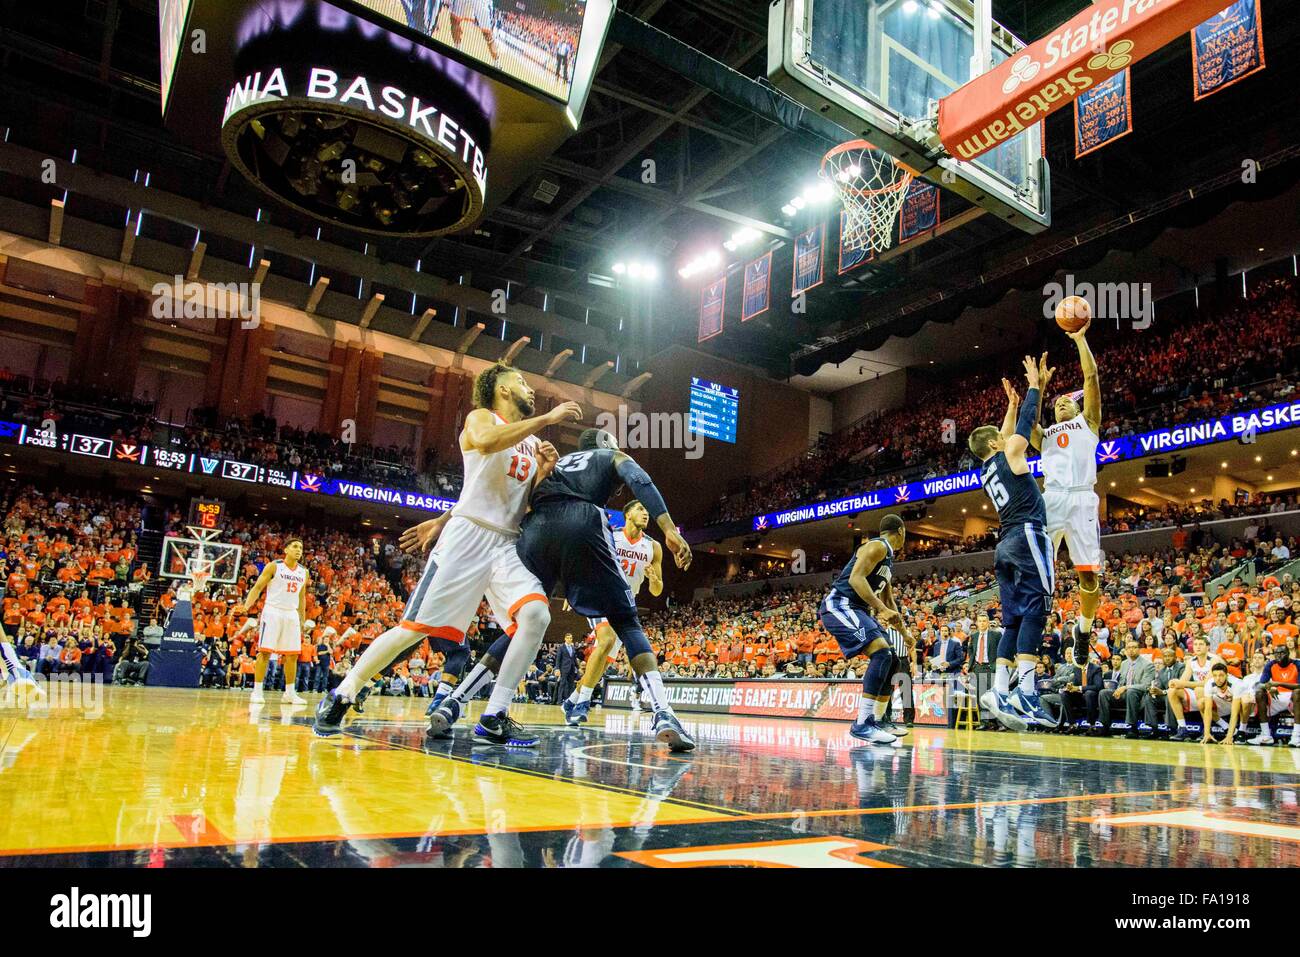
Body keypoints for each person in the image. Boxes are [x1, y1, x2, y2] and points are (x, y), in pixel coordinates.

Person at [316, 363, 579, 744]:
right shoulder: (480, 418)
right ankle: (344, 692)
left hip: (505, 542)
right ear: (502, 390)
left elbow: (521, 505)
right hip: (467, 539)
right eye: (521, 381)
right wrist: (549, 418)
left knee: (537, 615)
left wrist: (543, 472)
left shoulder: (532, 444)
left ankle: (494, 715)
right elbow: (487, 443)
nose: (530, 388)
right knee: (412, 631)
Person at [428, 427, 696, 751]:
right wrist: (668, 528)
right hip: (581, 522)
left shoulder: (556, 464)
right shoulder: (611, 456)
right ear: (606, 445)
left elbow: (519, 499)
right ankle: (663, 713)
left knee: (523, 626)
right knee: (626, 623)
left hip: (536, 530)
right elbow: (641, 480)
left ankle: (454, 702)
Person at [974, 355, 1056, 731]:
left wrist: (1008, 405)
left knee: (1013, 621)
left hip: (1005, 543)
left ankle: (998, 689)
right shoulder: (1009, 454)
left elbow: (1005, 436)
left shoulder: (987, 466)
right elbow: (1021, 431)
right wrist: (1035, 387)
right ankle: (1026, 691)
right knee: (1038, 606)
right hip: (1026, 535)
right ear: (995, 441)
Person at [562, 500, 662, 725]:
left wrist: (654, 579)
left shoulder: (653, 546)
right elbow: (586, 563)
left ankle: (572, 700)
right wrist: (573, 589)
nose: (646, 513)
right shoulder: (611, 535)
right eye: (640, 509)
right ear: (627, 514)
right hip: (600, 595)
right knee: (605, 639)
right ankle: (582, 705)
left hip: (625, 604)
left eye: (647, 510)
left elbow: (657, 591)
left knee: (602, 664)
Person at [817, 513, 913, 744]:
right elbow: (855, 580)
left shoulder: (887, 561)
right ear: (900, 531)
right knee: (881, 652)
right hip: (839, 604)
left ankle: (879, 720)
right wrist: (880, 609)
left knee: (893, 659)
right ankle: (862, 723)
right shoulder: (877, 546)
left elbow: (890, 603)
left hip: (858, 609)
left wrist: (905, 634)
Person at [234, 540, 310, 707]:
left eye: (301, 548)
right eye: (295, 547)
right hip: (273, 611)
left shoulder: (304, 572)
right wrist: (247, 606)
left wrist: (302, 619)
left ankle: (290, 693)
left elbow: (301, 597)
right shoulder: (274, 566)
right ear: (286, 549)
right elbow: (257, 587)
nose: (299, 550)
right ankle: (257, 690)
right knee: (265, 652)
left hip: (291, 614)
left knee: (292, 655)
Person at [1165, 635, 1224, 742]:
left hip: (1218, 695)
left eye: (1201, 644)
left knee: (1200, 690)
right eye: (1195, 644)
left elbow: (1207, 684)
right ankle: (1182, 729)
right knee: (1172, 691)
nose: (1197, 647)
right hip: (1200, 694)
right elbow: (1182, 682)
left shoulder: (1215, 660)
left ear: (1208, 647)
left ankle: (1207, 730)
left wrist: (1183, 683)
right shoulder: (1191, 661)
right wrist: (1174, 683)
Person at [1096, 636, 1157, 738]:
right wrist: (1118, 690)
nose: (1131, 650)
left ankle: (1132, 727)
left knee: (1131, 691)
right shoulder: (1124, 664)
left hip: (1139, 695)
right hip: (1124, 694)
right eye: (1128, 648)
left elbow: (1145, 686)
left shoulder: (1148, 665)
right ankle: (1105, 726)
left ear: (1139, 649)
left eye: (1134, 647)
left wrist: (1126, 687)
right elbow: (1121, 682)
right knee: (1104, 693)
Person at [1245, 643, 1300, 747]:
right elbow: (1259, 685)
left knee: (1298, 692)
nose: (1279, 656)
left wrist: (1278, 683)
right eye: (1276, 653)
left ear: (1288, 653)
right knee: (1260, 693)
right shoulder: (1270, 665)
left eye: (1282, 653)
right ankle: (1266, 736)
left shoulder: (1297, 664)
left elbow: (1299, 686)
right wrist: (1269, 687)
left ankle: (1296, 736)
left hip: (1293, 698)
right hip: (1276, 696)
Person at [554, 633, 579, 706]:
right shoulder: (561, 647)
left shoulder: (573, 647)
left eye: (571, 638)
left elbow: (574, 659)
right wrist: (557, 669)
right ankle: (559, 701)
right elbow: (558, 659)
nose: (569, 639)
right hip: (563, 669)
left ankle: (569, 701)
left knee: (571, 685)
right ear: (565, 639)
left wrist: (578, 668)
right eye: (568, 638)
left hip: (571, 669)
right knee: (562, 684)